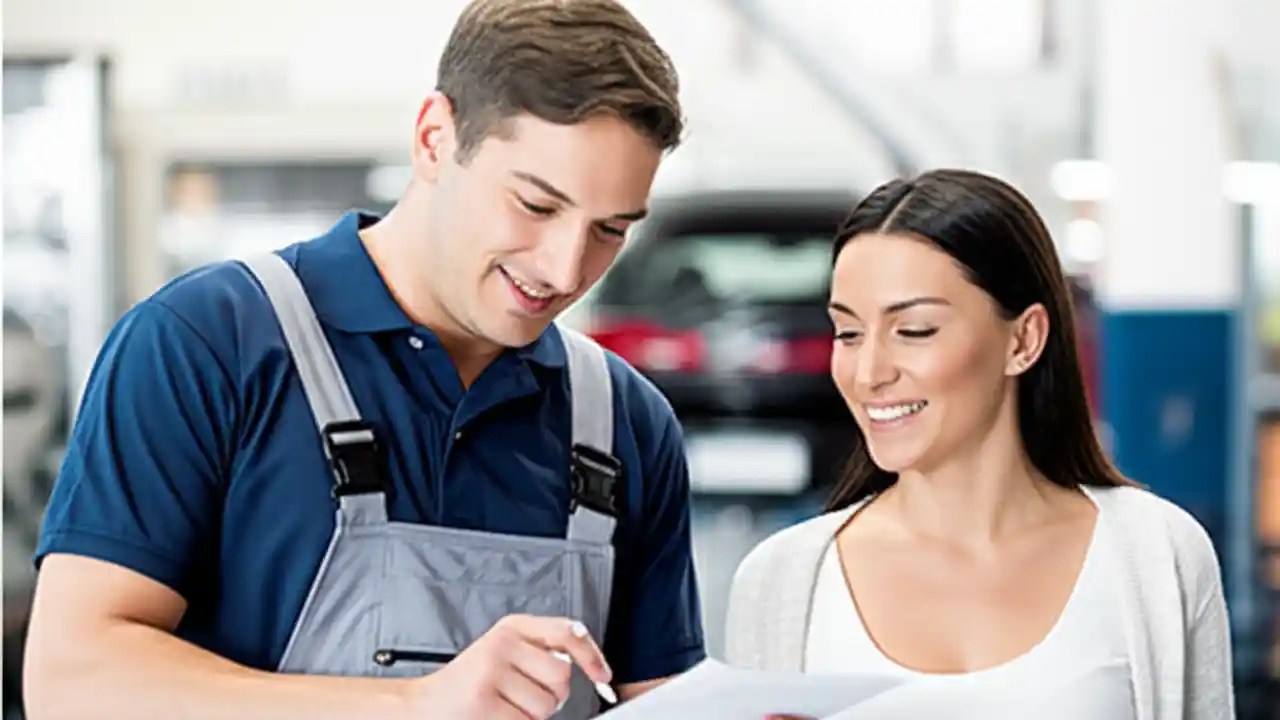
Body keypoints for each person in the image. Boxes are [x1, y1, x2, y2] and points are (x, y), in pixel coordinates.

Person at [23, 2, 707, 718]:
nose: (565, 268)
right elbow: (72, 683)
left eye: (610, 229)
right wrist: (413, 705)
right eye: (535, 205)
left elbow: (661, 704)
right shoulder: (204, 345)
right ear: (434, 139)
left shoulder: (626, 424)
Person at [726, 170, 1233, 720]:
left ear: (1024, 339)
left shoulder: (1155, 555)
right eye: (848, 334)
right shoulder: (781, 582)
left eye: (914, 330)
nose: (868, 373)